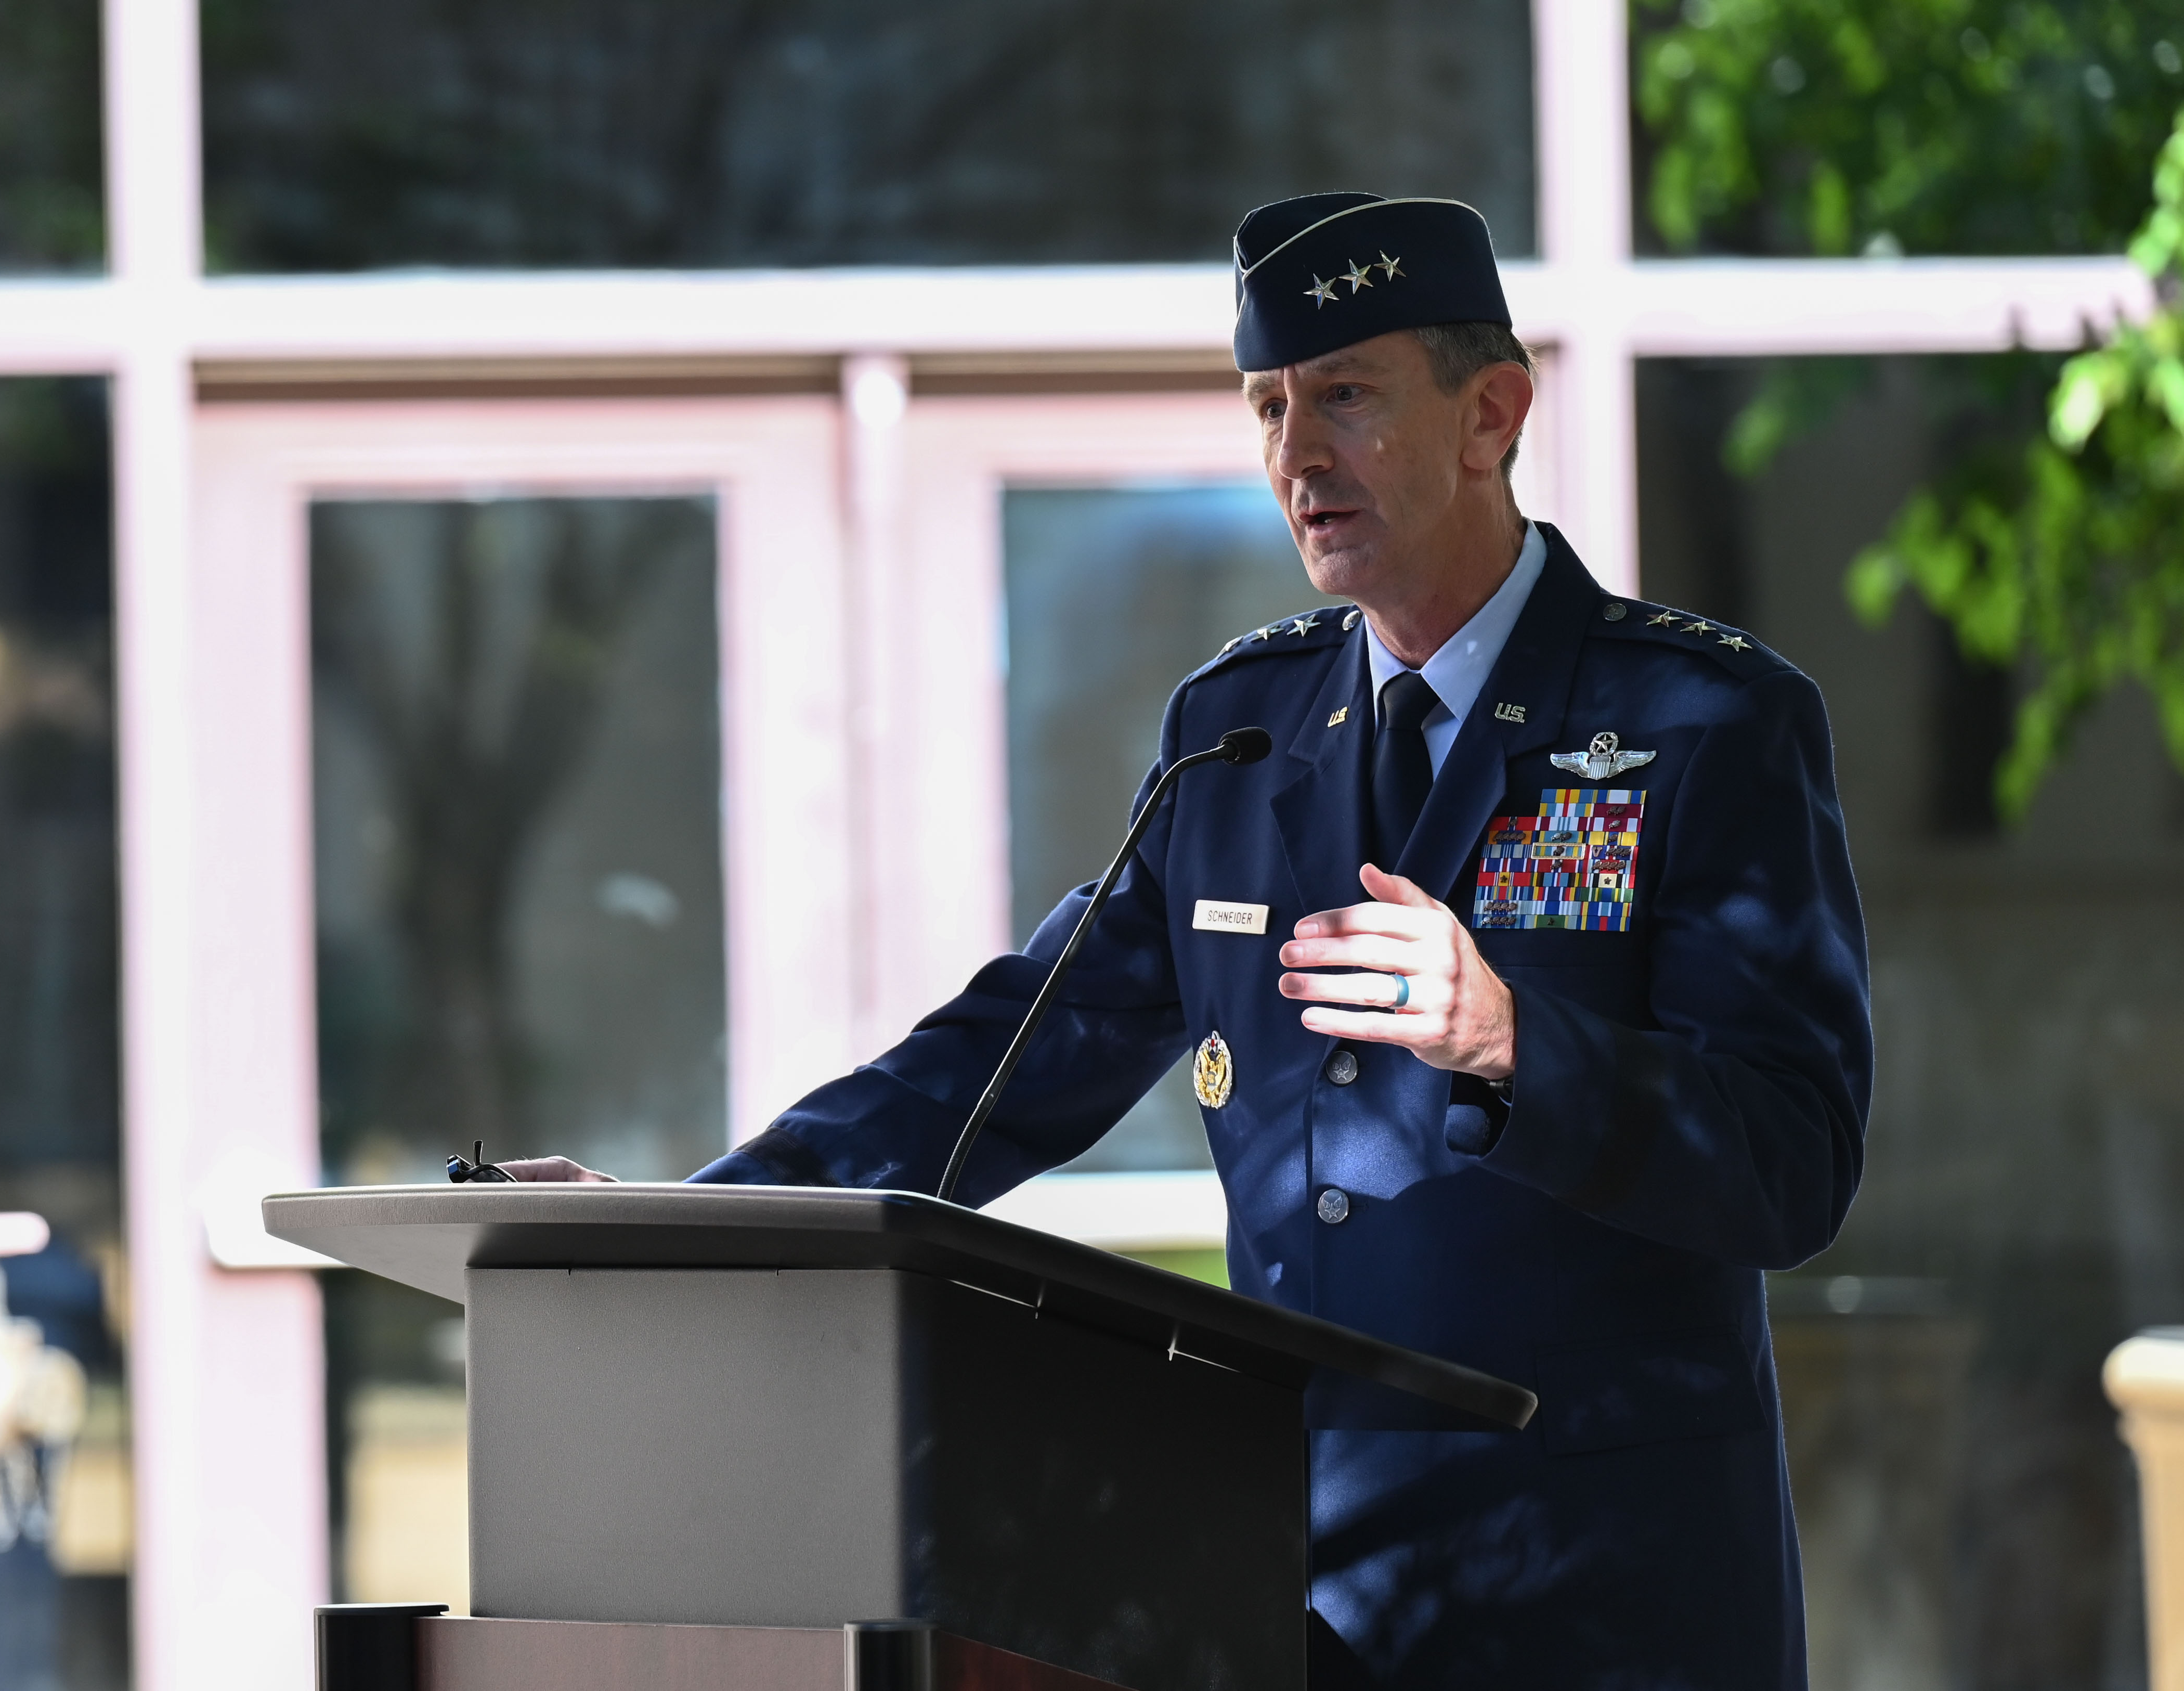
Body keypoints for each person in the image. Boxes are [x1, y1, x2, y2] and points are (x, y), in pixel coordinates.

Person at [505, 192, 1871, 1689]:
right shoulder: (1239, 730)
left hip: (1603, 1599)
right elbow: (1010, 1056)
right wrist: (695, 1230)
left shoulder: (1702, 721)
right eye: (1270, 406)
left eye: (1347, 396)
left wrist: (1513, 1041)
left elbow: (1791, 1163)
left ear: (1493, 414)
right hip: (1297, 1596)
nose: (1298, 455)